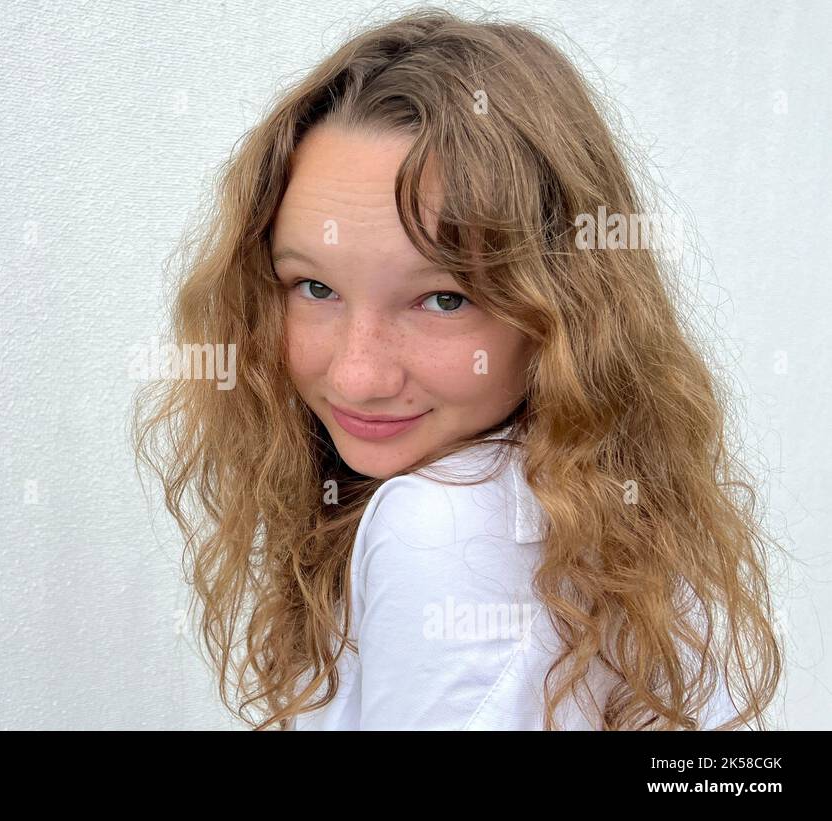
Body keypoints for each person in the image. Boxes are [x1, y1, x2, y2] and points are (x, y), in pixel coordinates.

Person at [132, 7, 783, 730]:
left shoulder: (436, 526)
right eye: (315, 288)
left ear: (561, 304)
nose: (357, 375)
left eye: (443, 298)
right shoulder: (617, 512)